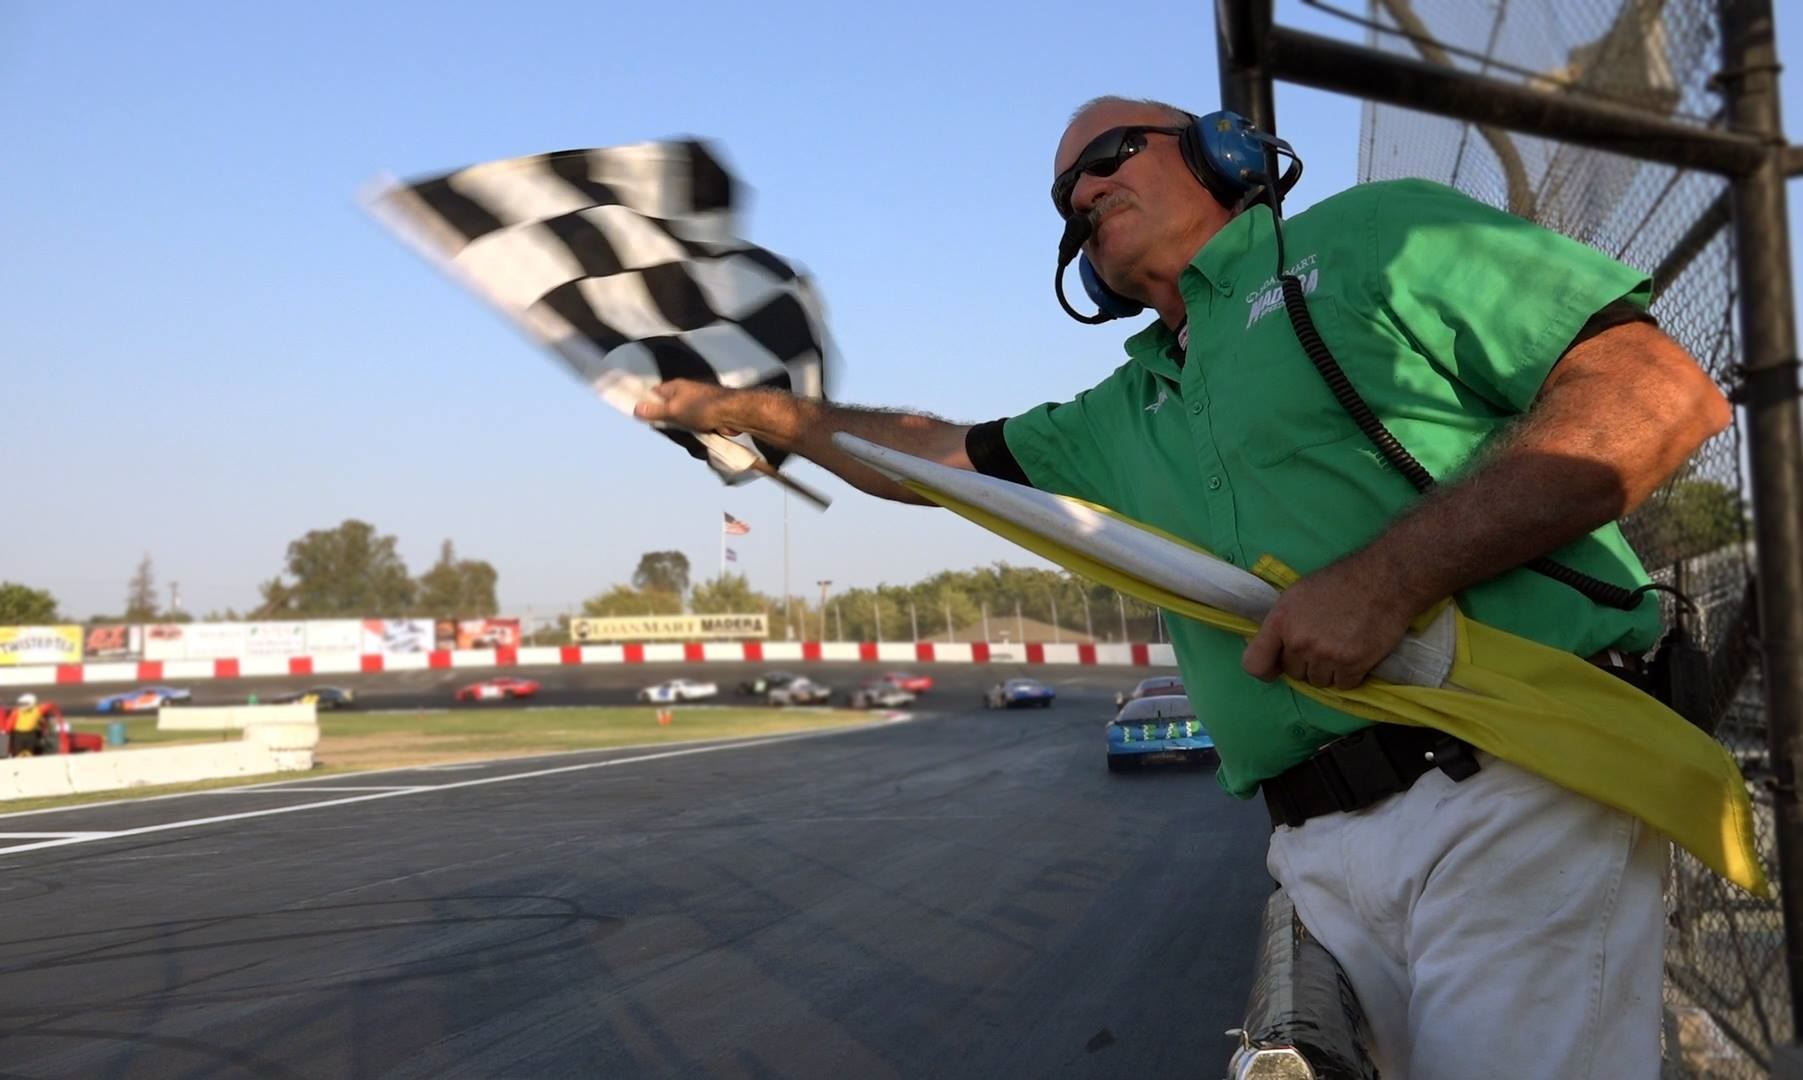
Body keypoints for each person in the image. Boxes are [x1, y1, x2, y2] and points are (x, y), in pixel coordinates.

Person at [634, 96, 1730, 1077]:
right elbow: (934, 458)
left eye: (1110, 153)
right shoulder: (1121, 409)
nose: (1085, 191)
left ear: (1219, 152)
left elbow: (1655, 395)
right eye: (1066, 191)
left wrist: (1388, 580)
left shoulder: (1372, 232)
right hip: (1316, 850)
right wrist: (769, 418)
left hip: (1512, 779)